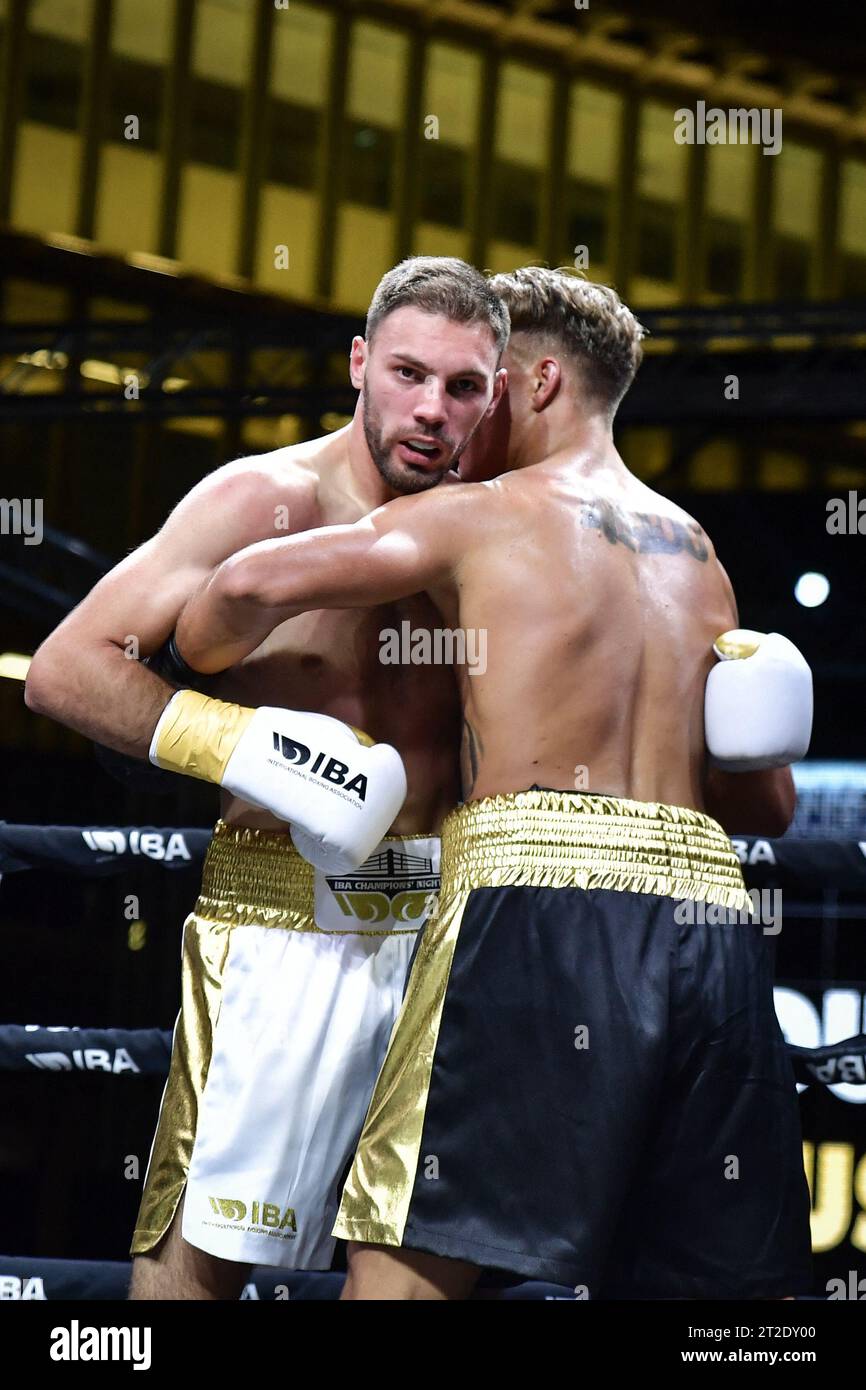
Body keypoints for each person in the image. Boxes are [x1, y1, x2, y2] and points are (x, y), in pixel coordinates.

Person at [170, 266, 815, 1302]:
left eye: (483, 389)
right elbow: (764, 804)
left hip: (537, 916)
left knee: (407, 1255)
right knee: (712, 1299)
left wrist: (202, 657)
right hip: (711, 926)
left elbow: (242, 584)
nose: (457, 421)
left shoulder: (480, 514)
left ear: (539, 383)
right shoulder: (695, 555)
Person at [23, 256, 509, 1299]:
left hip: (445, 935)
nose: (430, 409)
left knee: (420, 1276)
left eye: (461, 386)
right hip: (283, 924)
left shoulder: (502, 530)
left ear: (496, 394)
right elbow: (66, 671)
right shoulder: (266, 499)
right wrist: (262, 754)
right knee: (199, 1271)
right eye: (407, 374)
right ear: (357, 364)